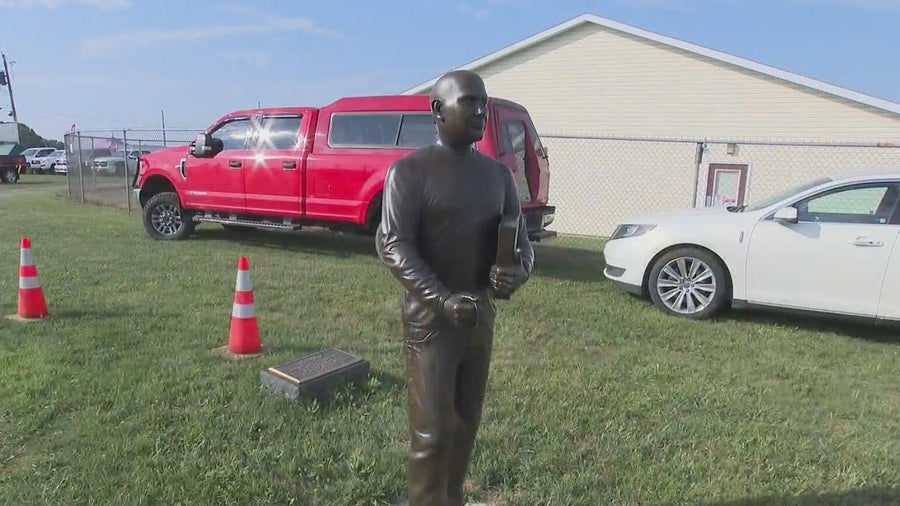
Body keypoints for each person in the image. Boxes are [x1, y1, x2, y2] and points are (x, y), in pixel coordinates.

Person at [375, 70, 535, 506]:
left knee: (466, 424)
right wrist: (442, 300)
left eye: (484, 102)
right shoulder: (409, 172)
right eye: (469, 102)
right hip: (431, 322)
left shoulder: (498, 176)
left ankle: (452, 498)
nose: (481, 110)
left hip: (479, 319)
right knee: (432, 434)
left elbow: (521, 243)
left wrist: (517, 272)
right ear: (438, 110)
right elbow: (393, 245)